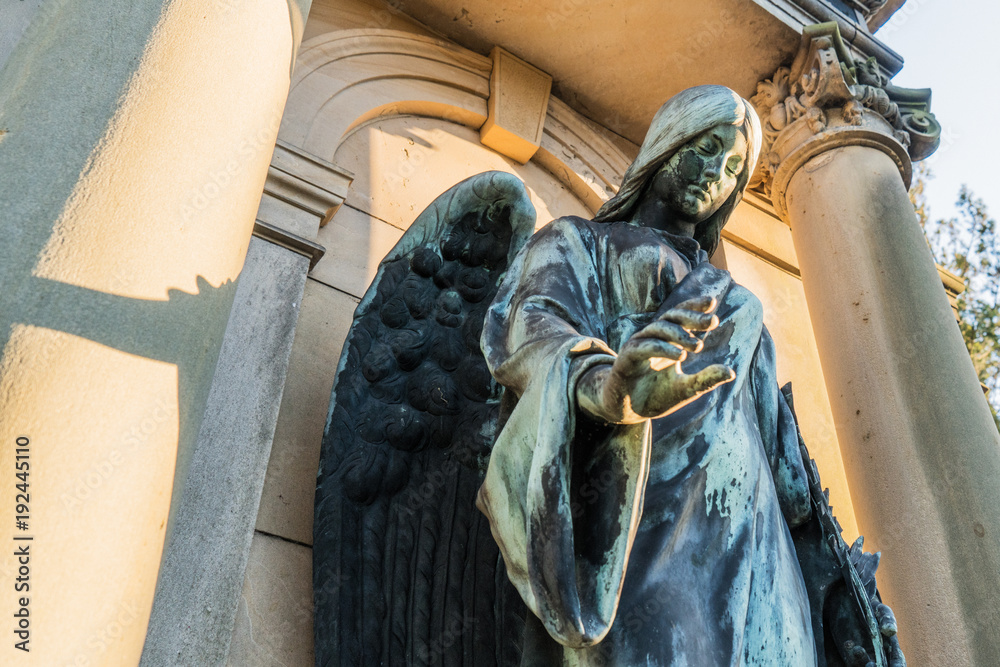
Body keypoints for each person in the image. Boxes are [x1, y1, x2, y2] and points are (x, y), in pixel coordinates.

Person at [476, 85, 817, 665]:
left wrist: (837, 581)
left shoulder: (730, 295)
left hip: (750, 531)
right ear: (667, 144)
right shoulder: (580, 243)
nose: (717, 174)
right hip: (636, 505)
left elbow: (783, 455)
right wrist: (611, 390)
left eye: (734, 168)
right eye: (707, 148)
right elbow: (535, 332)